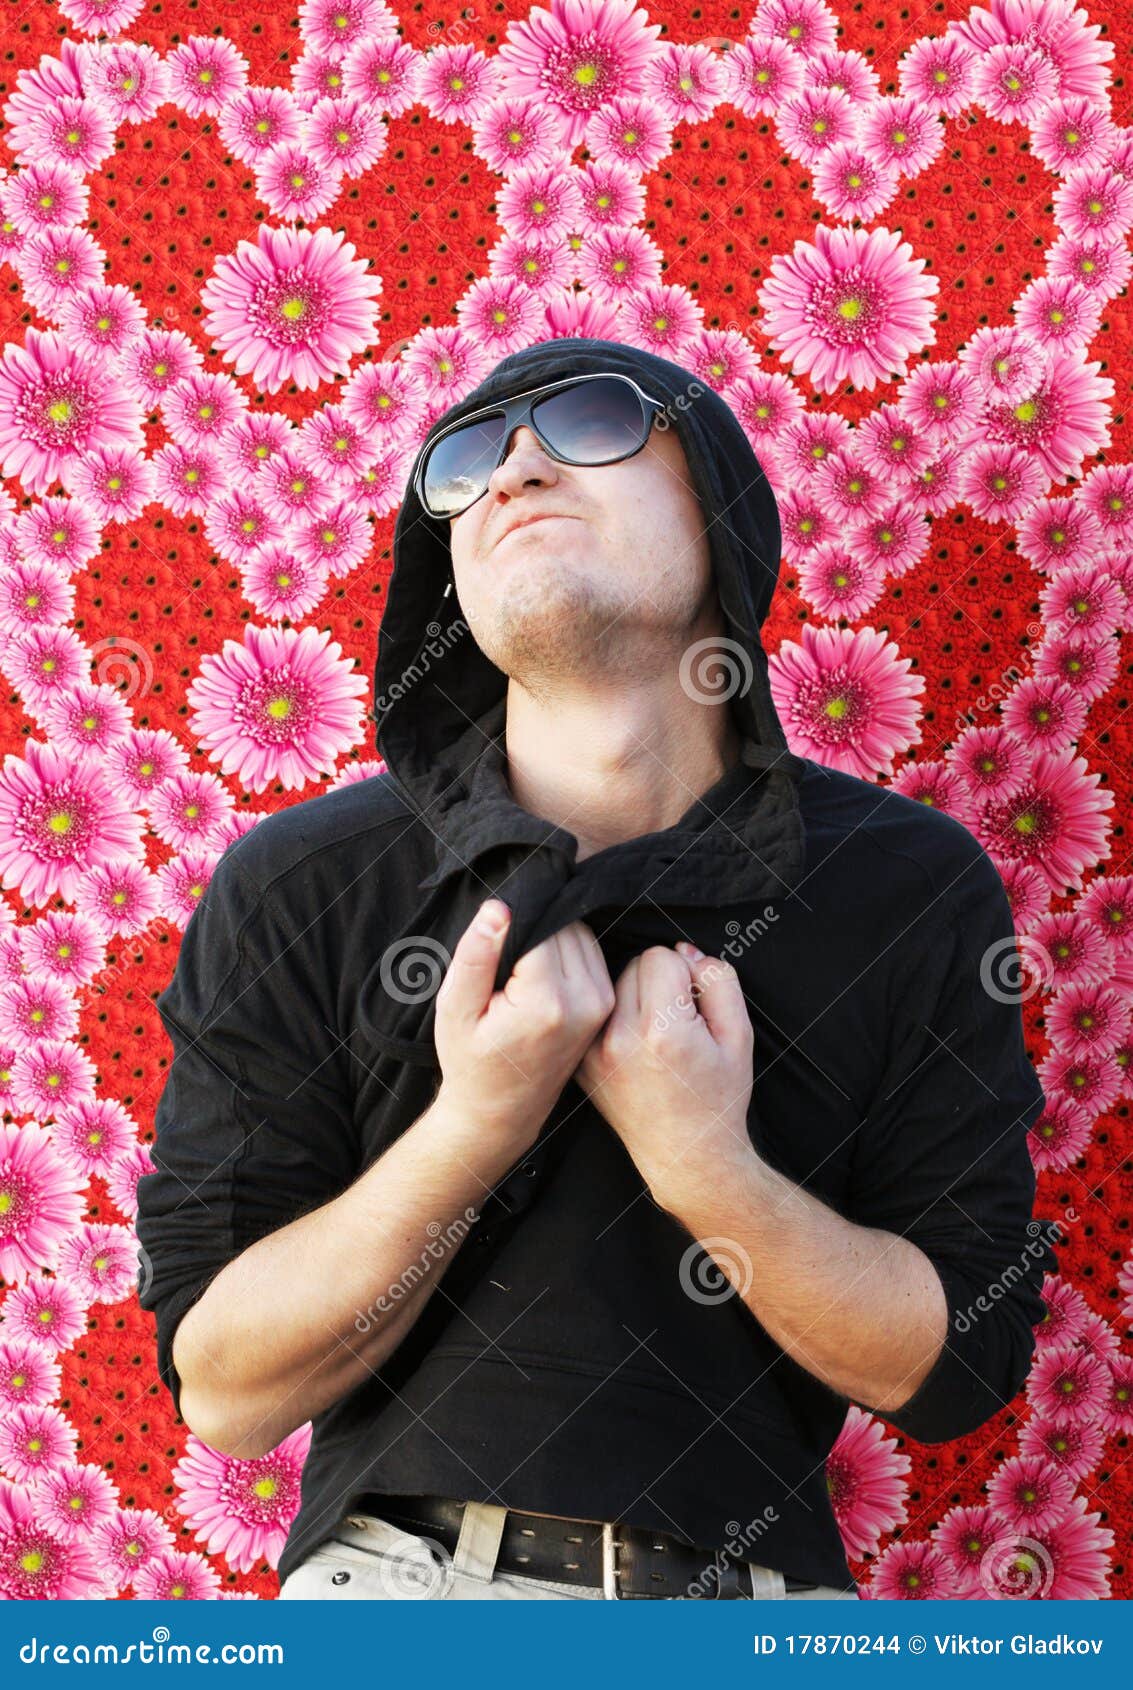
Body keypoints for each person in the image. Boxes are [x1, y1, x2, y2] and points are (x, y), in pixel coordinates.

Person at [136, 337, 1057, 1602]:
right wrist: (474, 1124)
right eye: (467, 458)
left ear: (721, 503)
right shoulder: (303, 885)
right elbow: (226, 1391)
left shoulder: (906, 886)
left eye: (582, 417)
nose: (510, 471)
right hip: (396, 1593)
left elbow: (955, 1361)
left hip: (750, 1611)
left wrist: (703, 1164)